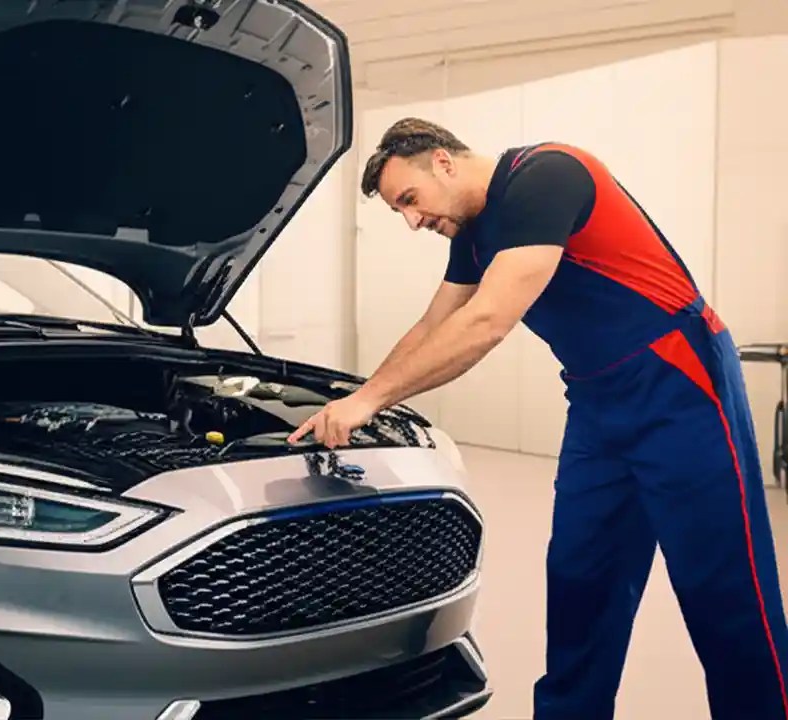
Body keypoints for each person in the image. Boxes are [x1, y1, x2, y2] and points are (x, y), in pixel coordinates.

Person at [287, 117, 788, 720]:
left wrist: (370, 402)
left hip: (680, 383)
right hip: (598, 405)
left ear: (442, 161)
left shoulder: (547, 175)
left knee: (724, 592)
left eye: (410, 201)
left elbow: (486, 321)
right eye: (400, 212)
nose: (413, 221)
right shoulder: (470, 237)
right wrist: (358, 398)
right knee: (582, 580)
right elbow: (432, 327)